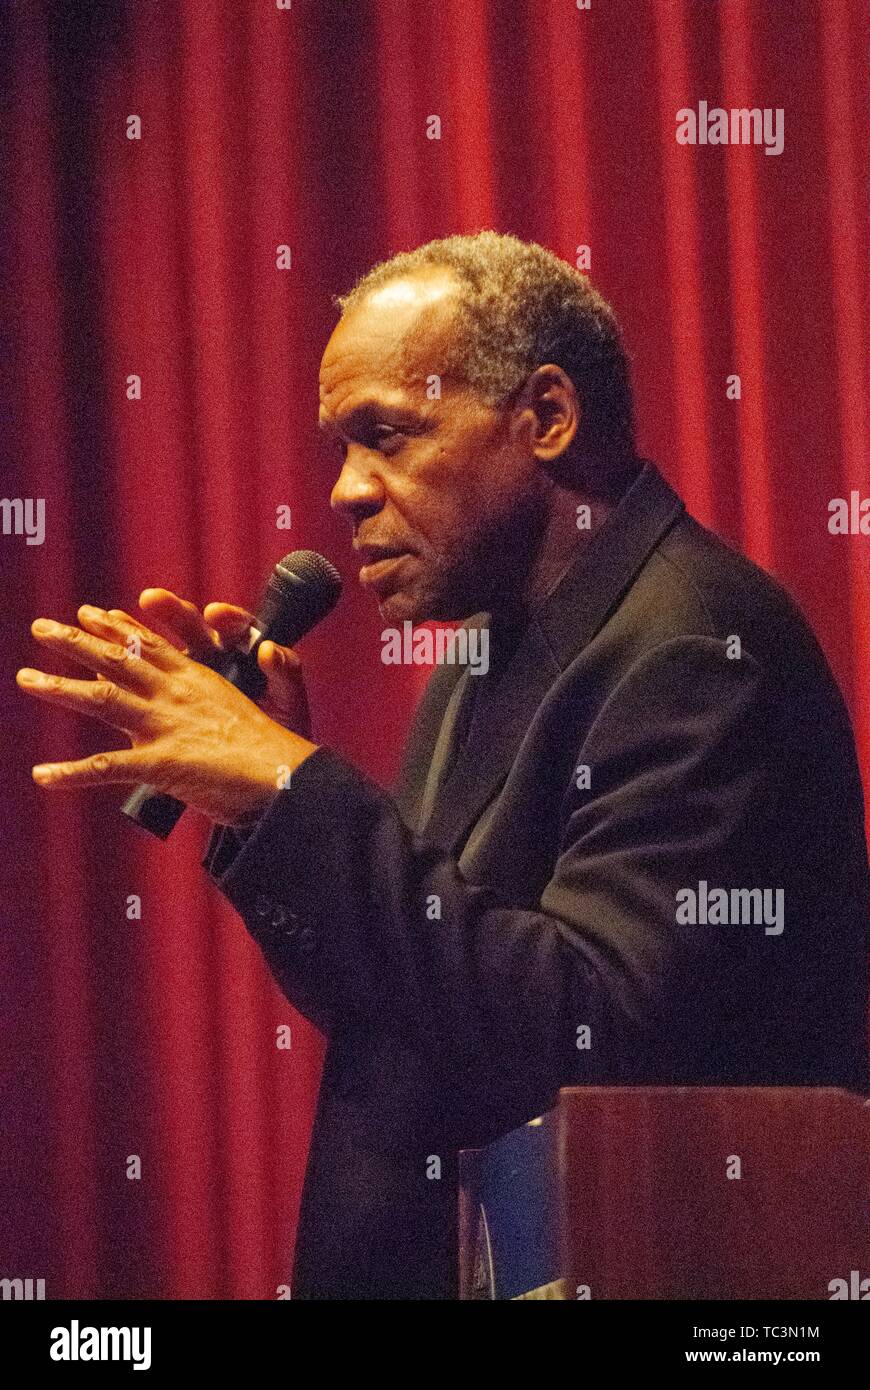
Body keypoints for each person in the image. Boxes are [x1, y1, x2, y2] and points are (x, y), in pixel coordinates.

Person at [18, 232, 870, 1300]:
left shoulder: (694, 645)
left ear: (547, 418)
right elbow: (413, 1004)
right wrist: (262, 809)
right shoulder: (482, 662)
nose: (344, 492)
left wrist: (294, 790)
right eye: (339, 446)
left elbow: (599, 1023)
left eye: (386, 435)